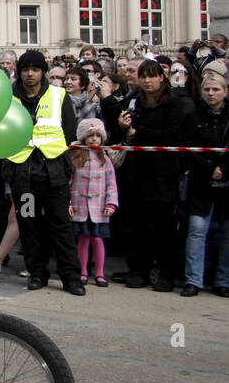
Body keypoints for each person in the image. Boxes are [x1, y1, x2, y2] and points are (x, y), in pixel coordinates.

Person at [4, 49, 83, 295]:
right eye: (26, 69)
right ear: (20, 70)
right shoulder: (8, 98)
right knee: (29, 224)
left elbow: (69, 131)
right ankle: (37, 273)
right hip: (24, 174)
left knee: (60, 224)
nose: (30, 74)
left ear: (43, 72)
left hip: (54, 173)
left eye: (35, 69)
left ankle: (72, 278)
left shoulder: (59, 95)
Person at [115, 59, 193, 291]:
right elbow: (126, 131)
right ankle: (139, 270)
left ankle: (166, 275)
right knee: (137, 224)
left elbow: (172, 135)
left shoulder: (174, 104)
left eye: (152, 75)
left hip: (162, 173)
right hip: (136, 171)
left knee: (163, 227)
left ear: (162, 77)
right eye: (144, 76)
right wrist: (123, 127)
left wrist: (140, 133)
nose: (147, 81)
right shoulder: (134, 101)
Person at [181, 71, 229, 297]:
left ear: (225, 92)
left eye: (216, 89)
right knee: (197, 230)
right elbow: (188, 148)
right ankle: (193, 280)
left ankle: (223, 280)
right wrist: (210, 168)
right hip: (201, 180)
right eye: (207, 89)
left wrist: (223, 169)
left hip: (227, 180)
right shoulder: (193, 117)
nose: (211, 93)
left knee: (227, 234)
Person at [68, 118, 118, 288]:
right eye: (90, 136)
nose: (94, 139)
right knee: (83, 239)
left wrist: (111, 204)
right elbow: (69, 182)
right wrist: (68, 203)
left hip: (99, 208)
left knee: (97, 239)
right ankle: (83, 271)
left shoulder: (105, 159)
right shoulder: (76, 157)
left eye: (98, 135)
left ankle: (100, 273)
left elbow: (112, 184)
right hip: (80, 206)